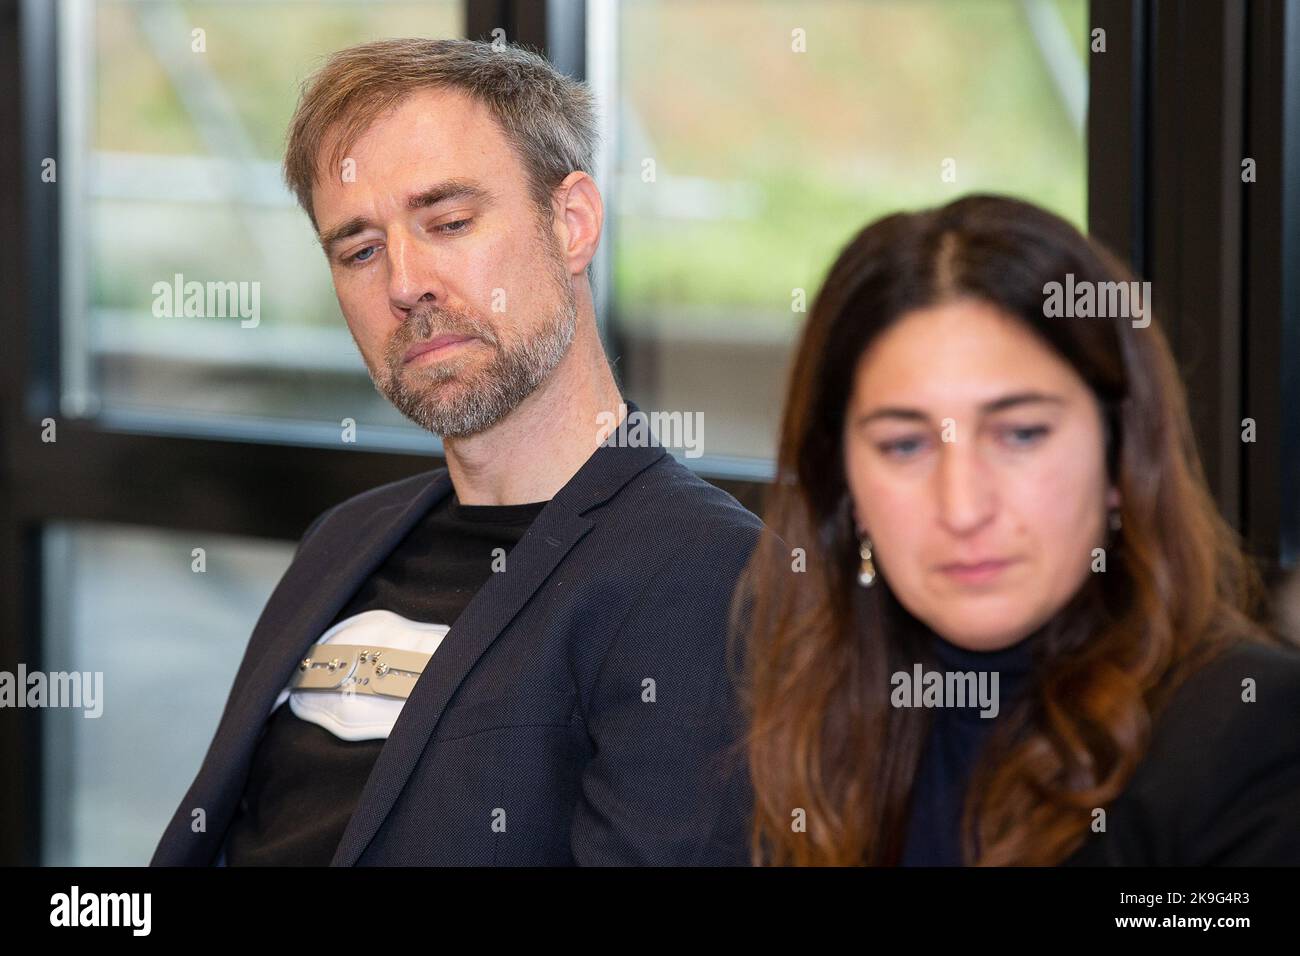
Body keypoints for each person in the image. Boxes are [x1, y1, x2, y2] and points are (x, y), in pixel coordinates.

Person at [151, 38, 760, 866]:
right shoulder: (345, 540)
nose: (404, 283)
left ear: (571, 222)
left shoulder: (710, 576)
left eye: (449, 222)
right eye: (360, 250)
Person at [736, 194, 1300, 865]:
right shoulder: (804, 720)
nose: (965, 506)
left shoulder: (1249, 733)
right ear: (845, 487)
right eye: (905, 446)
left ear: (1121, 453)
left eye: (1021, 433)